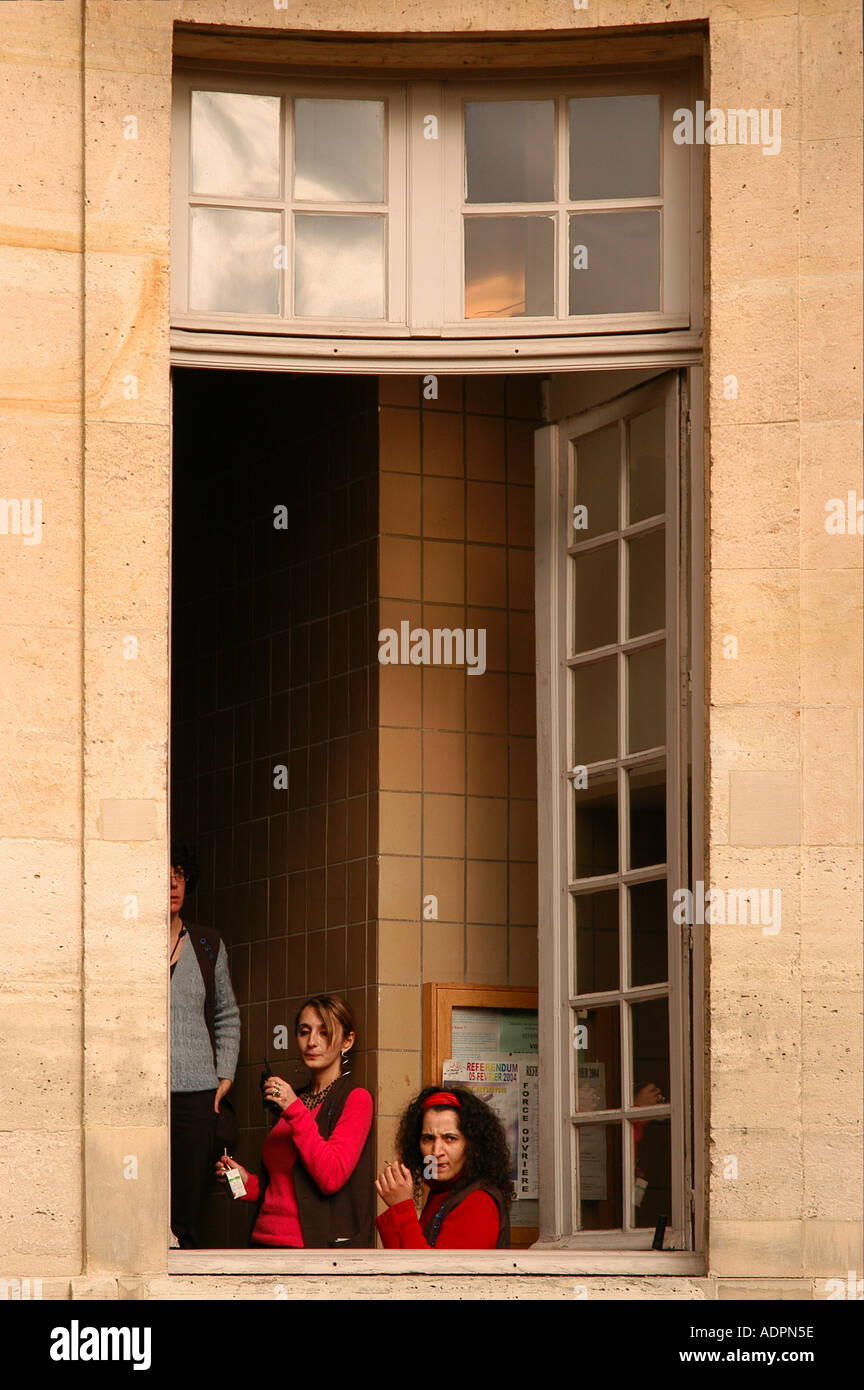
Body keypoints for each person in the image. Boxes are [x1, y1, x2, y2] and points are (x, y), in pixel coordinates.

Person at [216, 994, 374, 1248]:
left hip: (308, 1250)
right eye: (304, 1032)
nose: (312, 1042)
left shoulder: (356, 1099)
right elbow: (282, 1189)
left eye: (325, 1033)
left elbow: (331, 1176)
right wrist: (244, 1183)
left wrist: (293, 1109)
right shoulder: (297, 1100)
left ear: (347, 1040)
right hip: (262, 1242)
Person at [169, 838, 241, 1248]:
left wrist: (224, 1077)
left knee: (189, 1201)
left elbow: (227, 1014)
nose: (173, 884)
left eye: (180, 875)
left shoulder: (208, 943)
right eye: (165, 876)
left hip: (197, 1091)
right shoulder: (128, 945)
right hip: (141, 1088)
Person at [375, 1086, 512, 1249]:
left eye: (450, 1138)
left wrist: (402, 1208)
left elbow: (432, 1272)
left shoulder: (478, 1202)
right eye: (428, 1138)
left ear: (472, 1145)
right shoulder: (442, 1192)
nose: (436, 1151)